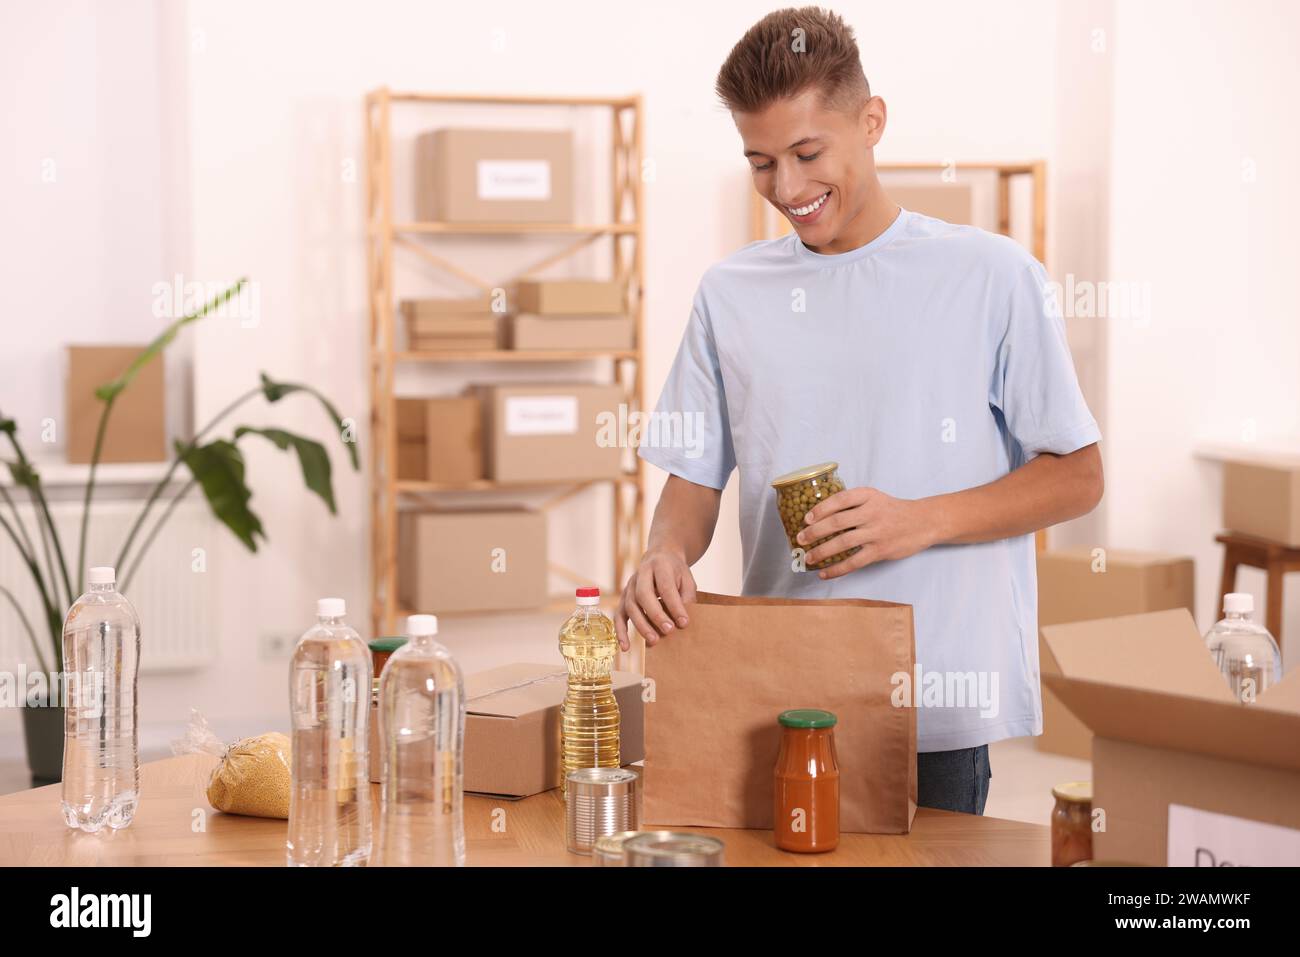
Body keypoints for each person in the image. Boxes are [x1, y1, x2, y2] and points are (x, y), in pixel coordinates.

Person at [617, 6, 1103, 816]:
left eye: (809, 153)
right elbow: (694, 479)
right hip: (772, 686)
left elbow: (1077, 476)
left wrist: (918, 521)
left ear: (871, 122)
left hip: (929, 701)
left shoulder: (991, 275)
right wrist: (664, 553)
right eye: (761, 162)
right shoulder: (729, 293)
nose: (789, 188)